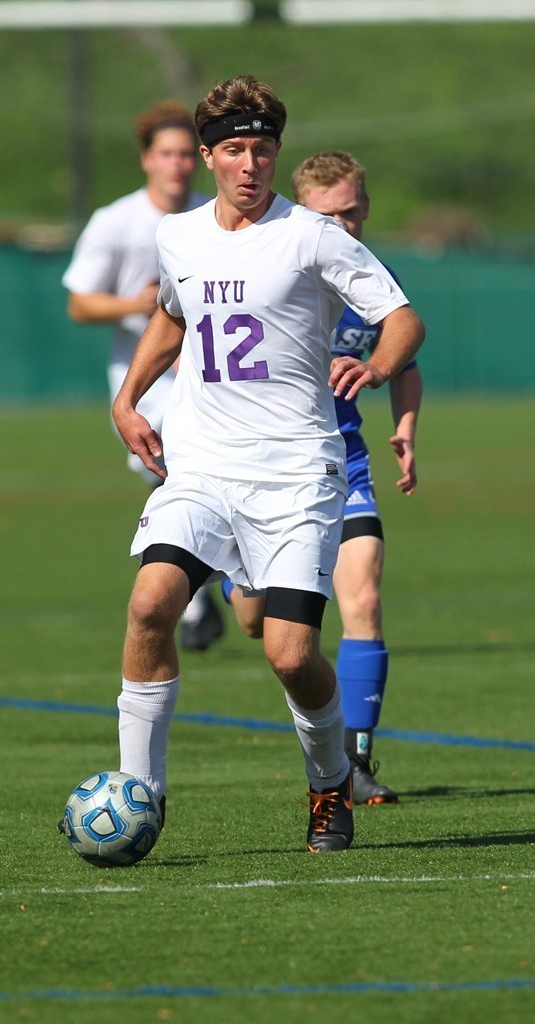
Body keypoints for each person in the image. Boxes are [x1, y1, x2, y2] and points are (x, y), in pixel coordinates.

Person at [109, 75, 426, 853]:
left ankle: (330, 781)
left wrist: (379, 366)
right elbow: (172, 315)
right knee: (150, 604)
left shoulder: (313, 236)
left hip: (296, 474)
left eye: (262, 149)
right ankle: (139, 793)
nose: (250, 165)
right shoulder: (179, 236)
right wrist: (128, 396)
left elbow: (402, 318)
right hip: (202, 466)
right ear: (208, 157)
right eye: (235, 151)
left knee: (290, 653)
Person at [222, 151, 421, 806]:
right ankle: (236, 583)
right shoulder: (269, 272)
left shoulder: (373, 278)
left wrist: (405, 426)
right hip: (262, 467)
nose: (344, 227)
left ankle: (355, 760)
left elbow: (405, 356)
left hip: (342, 462)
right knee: (257, 620)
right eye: (329, 217)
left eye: (353, 212)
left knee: (363, 596)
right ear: (301, 213)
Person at [62, 100, 224, 652]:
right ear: (147, 160)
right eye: (167, 154)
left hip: (211, 369)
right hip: (144, 375)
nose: (178, 165)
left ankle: (206, 591)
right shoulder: (117, 221)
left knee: (206, 466)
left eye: (186, 154)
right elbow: (80, 302)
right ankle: (199, 595)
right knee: (169, 465)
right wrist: (142, 306)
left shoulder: (213, 214)